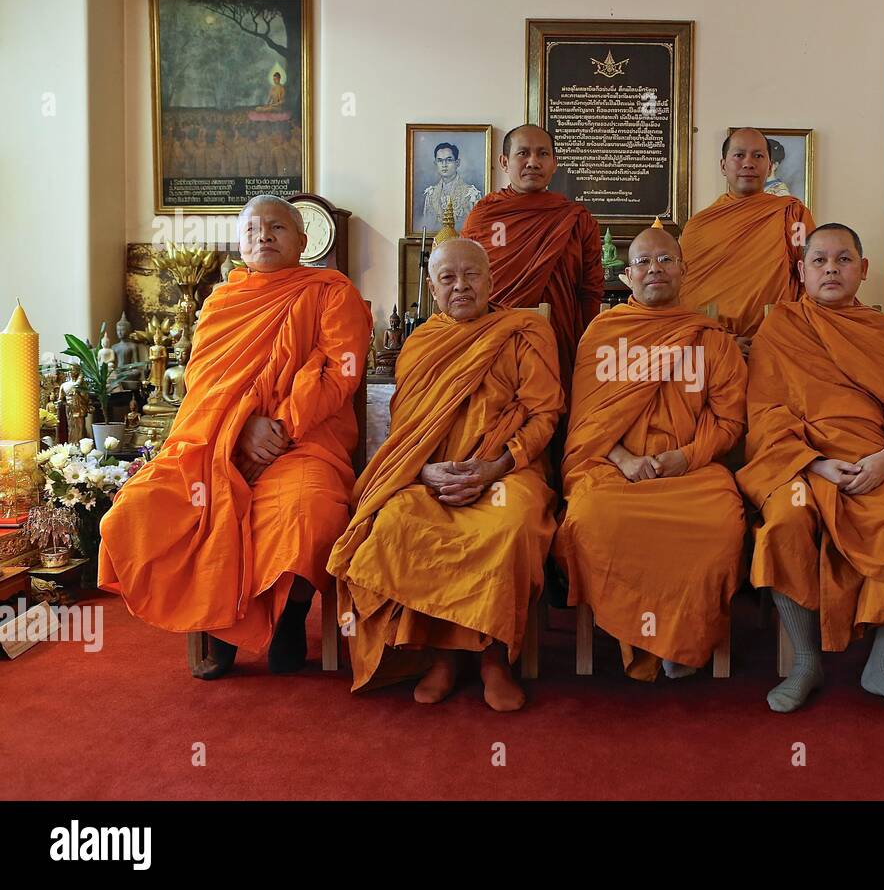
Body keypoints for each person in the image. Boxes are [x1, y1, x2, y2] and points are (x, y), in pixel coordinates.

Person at [98, 195, 372, 679]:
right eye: (251, 230)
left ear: (302, 241)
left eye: (277, 228)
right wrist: (242, 427)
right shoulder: (221, 303)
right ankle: (215, 621)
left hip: (305, 443)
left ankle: (287, 616)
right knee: (142, 504)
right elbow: (204, 384)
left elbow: (338, 374)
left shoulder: (332, 292)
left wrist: (281, 428)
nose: (263, 236)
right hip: (219, 440)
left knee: (306, 510)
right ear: (239, 244)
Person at [739, 224, 884, 717]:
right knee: (785, 521)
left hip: (877, 458)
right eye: (819, 260)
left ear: (862, 270)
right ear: (801, 272)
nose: (831, 269)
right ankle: (805, 661)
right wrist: (815, 463)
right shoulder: (781, 327)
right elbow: (764, 413)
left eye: (843, 260)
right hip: (798, 462)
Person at [327, 239, 563, 710]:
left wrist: (495, 466)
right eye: (448, 278)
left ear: (491, 280)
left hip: (507, 471)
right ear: (432, 289)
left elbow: (545, 414)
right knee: (396, 522)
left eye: (471, 275)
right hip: (432, 475)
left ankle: (495, 656)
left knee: (510, 524)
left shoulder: (523, 332)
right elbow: (408, 430)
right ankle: (440, 656)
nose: (461, 286)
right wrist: (427, 471)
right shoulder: (420, 344)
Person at [553, 228, 747, 680]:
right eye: (643, 262)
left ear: (684, 269)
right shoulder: (603, 333)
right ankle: (636, 634)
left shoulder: (710, 337)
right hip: (613, 468)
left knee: (722, 524)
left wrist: (689, 456)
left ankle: (681, 637)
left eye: (665, 260)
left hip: (692, 472)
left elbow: (730, 421)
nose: (654, 269)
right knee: (592, 518)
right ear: (626, 275)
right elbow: (585, 419)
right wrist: (622, 460)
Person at [461, 124, 602, 393]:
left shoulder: (576, 219)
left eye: (543, 154)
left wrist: (585, 347)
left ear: (555, 163)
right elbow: (469, 283)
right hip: (495, 339)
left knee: (551, 417)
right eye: (523, 153)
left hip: (557, 340)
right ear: (504, 162)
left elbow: (591, 289)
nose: (533, 162)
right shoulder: (483, 217)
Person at [678, 127, 815, 354]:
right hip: (712, 347)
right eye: (739, 155)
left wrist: (790, 332)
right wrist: (719, 340)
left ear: (770, 166)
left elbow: (808, 278)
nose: (748, 163)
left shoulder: (792, 214)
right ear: (723, 166)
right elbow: (686, 294)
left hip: (778, 343)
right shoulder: (698, 226)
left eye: (758, 156)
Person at [421, 141, 483, 230]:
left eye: (449, 160)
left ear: (457, 163)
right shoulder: (430, 194)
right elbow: (426, 226)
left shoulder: (471, 194)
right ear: (435, 164)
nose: (444, 165)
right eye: (440, 160)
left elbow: (478, 228)